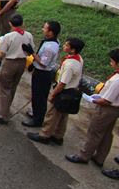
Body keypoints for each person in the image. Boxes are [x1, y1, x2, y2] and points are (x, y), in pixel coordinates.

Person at [28, 37, 85, 146]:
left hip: (63, 92)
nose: (64, 46)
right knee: (63, 115)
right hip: (72, 91)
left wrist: (53, 94)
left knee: (52, 115)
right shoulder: (79, 59)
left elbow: (62, 83)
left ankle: (44, 135)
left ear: (72, 50)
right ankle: (58, 136)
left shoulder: (69, 65)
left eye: (67, 45)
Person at [73, 49, 119, 177]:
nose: (111, 63)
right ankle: (99, 157)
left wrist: (90, 98)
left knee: (94, 131)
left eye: (112, 61)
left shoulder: (117, 80)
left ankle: (84, 155)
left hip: (106, 109)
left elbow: (107, 101)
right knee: (106, 134)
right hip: (114, 110)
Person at [0, 14, 35, 124]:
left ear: (10, 23)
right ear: (22, 23)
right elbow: (31, 50)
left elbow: (1, 52)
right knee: (13, 86)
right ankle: (7, 108)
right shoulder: (28, 35)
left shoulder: (9, 36)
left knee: (4, 88)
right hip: (22, 63)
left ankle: (2, 114)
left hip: (10, 63)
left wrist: (0, 58)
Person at [22, 20, 60, 128]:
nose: (43, 29)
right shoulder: (51, 41)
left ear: (51, 32)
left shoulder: (50, 47)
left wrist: (32, 52)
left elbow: (43, 63)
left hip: (42, 74)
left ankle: (37, 120)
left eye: (45, 28)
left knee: (39, 97)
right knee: (36, 95)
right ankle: (35, 113)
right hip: (40, 72)